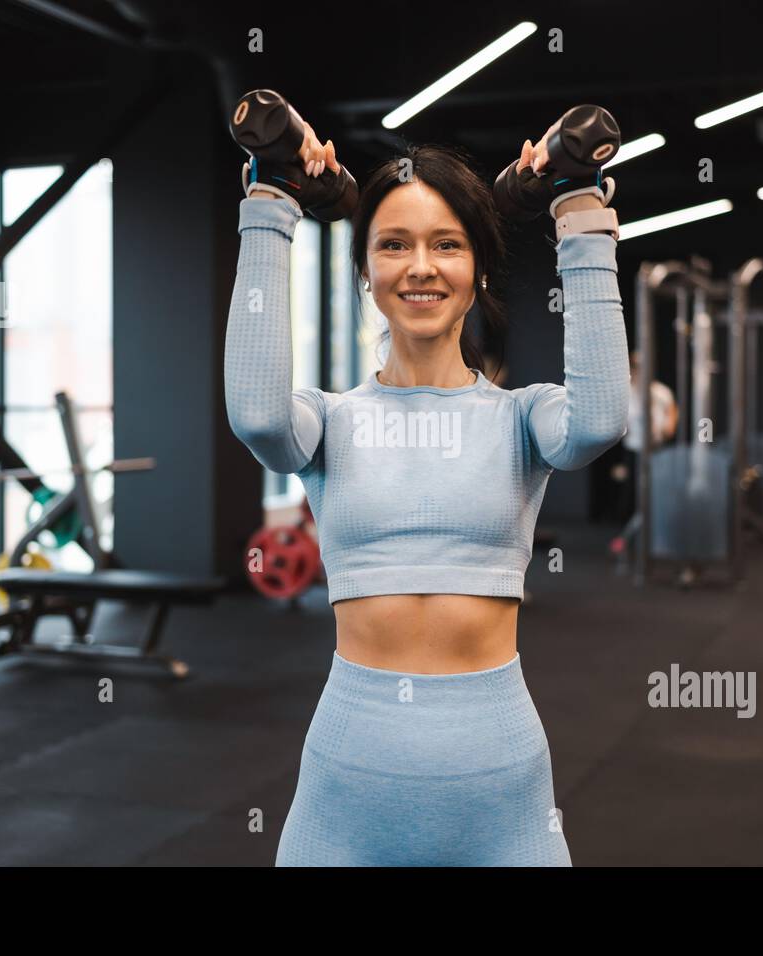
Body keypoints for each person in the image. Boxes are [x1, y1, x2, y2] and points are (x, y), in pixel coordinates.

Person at [224, 117, 628, 866]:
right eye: (393, 244)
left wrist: (577, 209)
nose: (421, 267)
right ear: (366, 272)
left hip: (502, 800)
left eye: (447, 243)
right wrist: (273, 200)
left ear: (477, 267)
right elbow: (254, 415)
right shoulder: (328, 423)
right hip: (345, 798)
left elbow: (601, 420)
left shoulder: (521, 418)